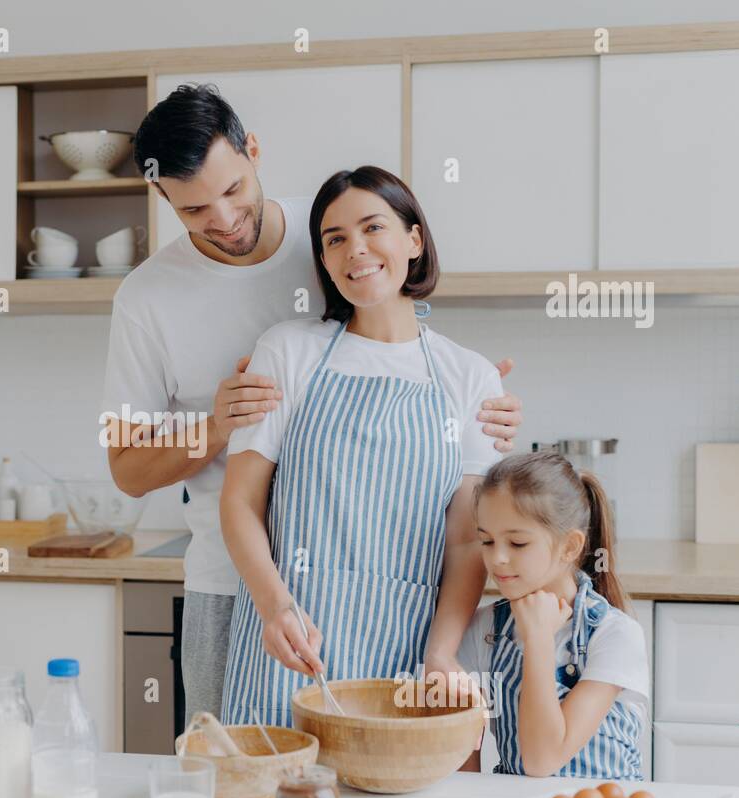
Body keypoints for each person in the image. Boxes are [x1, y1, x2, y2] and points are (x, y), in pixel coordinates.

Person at [101, 84, 523, 724]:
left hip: (399, 604)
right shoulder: (148, 298)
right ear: (163, 199)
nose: (222, 218)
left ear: (254, 151)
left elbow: (394, 314)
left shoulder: (326, 225)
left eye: (235, 189)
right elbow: (127, 470)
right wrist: (217, 425)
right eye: (193, 210)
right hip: (235, 582)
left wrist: (478, 400)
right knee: (237, 785)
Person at [220, 165, 503, 727]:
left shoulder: (470, 377)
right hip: (291, 649)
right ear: (323, 261)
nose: (356, 250)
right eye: (335, 239)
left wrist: (441, 654)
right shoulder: (287, 352)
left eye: (373, 228)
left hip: (404, 656)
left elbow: (466, 537)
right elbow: (239, 502)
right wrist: (275, 606)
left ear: (414, 240)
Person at [456, 451, 648, 780]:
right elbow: (463, 763)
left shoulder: (614, 635)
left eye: (517, 543)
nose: (497, 559)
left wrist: (539, 639)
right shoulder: (483, 630)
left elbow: (542, 760)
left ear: (570, 547)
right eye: (486, 540)